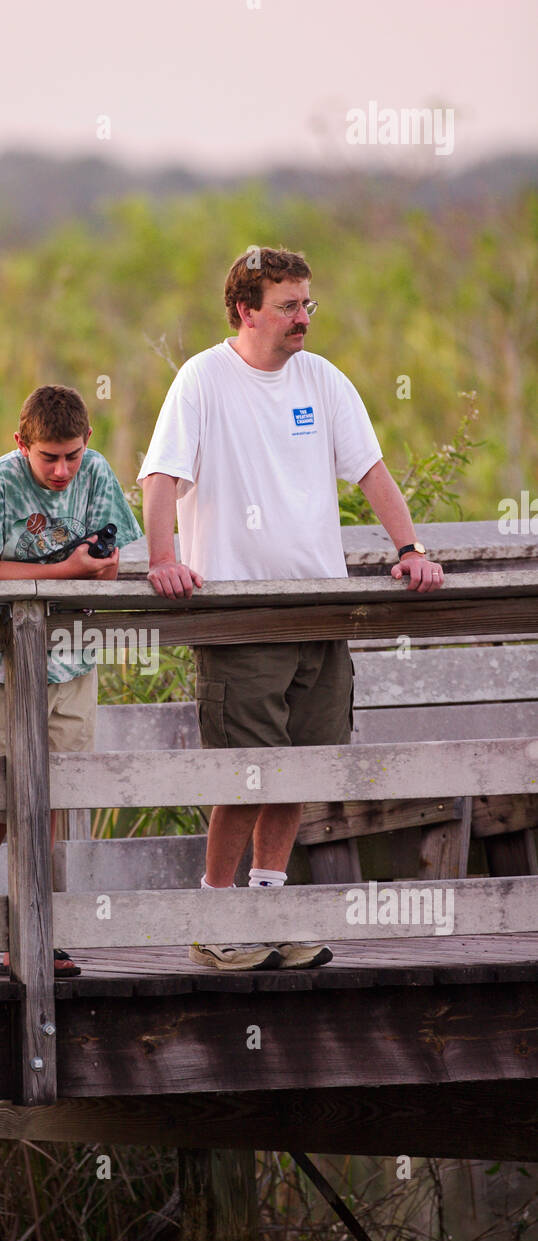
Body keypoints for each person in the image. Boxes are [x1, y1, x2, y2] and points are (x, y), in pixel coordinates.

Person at [138, 246, 444, 970]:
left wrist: (411, 547)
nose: (302, 318)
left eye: (307, 304)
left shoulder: (323, 379)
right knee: (246, 773)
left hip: (321, 610)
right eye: (288, 306)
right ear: (246, 311)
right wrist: (162, 560)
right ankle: (217, 921)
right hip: (241, 616)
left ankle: (272, 908)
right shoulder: (202, 381)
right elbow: (159, 479)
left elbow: (371, 470)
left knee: (301, 771)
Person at [0, 383, 143, 977]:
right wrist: (64, 568)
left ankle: (34, 925)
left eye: (72, 456)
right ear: (21, 445)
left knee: (55, 790)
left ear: (88, 444)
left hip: (73, 657)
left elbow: (112, 567)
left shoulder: (98, 473)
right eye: (48, 457)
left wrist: (100, 566)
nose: (62, 470)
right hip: (3, 662)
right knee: (0, 790)